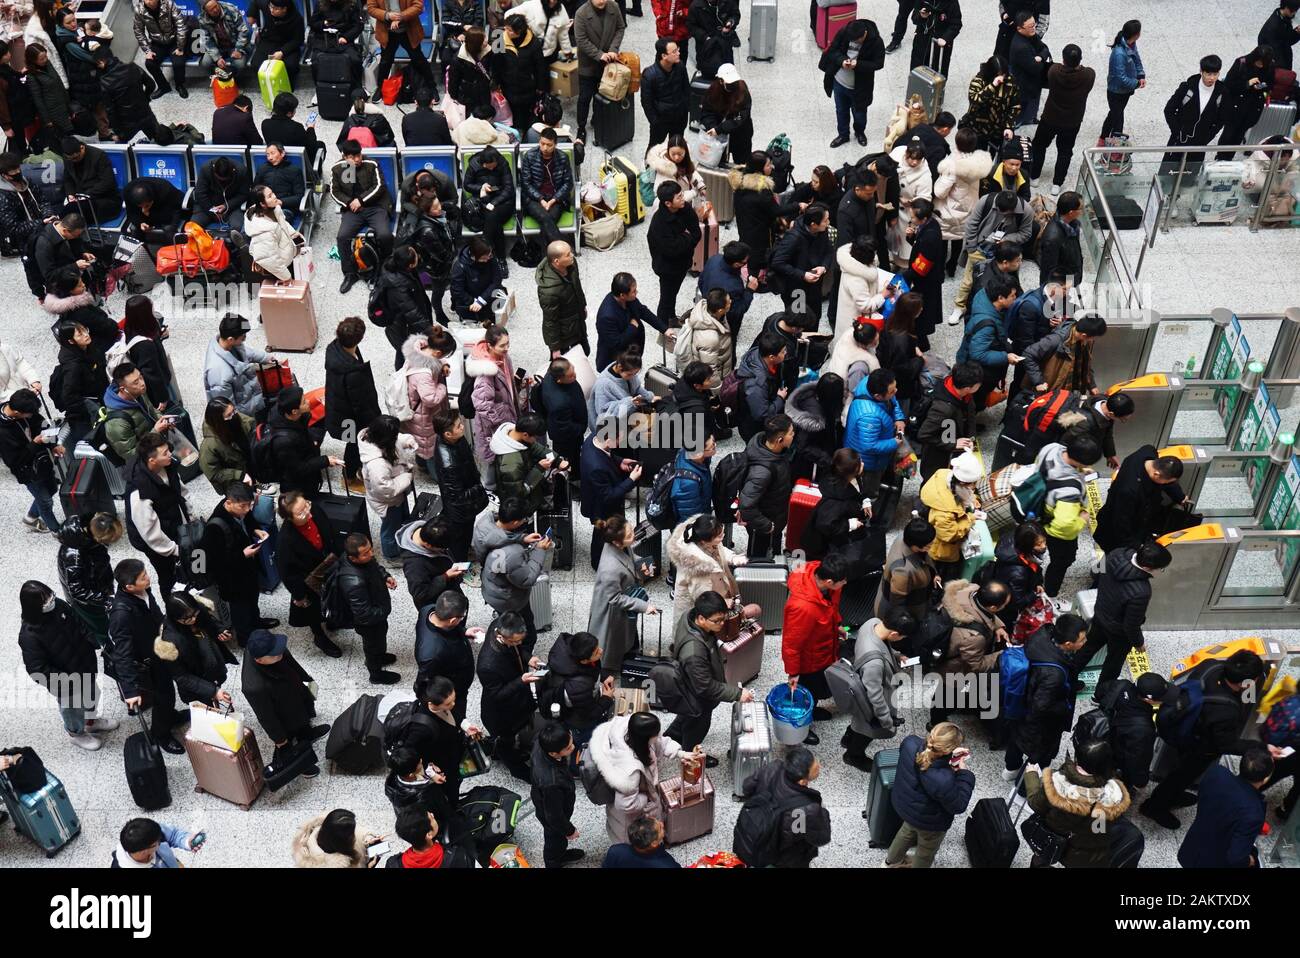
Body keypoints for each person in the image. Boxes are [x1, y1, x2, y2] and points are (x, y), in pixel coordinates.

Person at [1143, 650, 1267, 830]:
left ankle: (1172, 795)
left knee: (1180, 773)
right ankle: (1155, 807)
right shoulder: (1225, 712)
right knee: (1182, 775)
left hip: (1183, 726)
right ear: (1245, 683)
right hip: (1198, 746)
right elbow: (1226, 744)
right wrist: (1259, 747)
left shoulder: (1210, 665)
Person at [19, 579, 114, 751]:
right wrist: (67, 681)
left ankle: (91, 722)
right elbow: (37, 669)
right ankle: (76, 734)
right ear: (33, 606)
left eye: (49, 595)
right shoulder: (29, 636)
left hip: (85, 665)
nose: (50, 601)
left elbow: (79, 622)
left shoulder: (59, 606)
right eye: (45, 600)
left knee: (93, 694)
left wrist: (91, 640)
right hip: (65, 684)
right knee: (73, 709)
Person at [1023, 738, 1139, 868]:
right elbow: (1098, 830)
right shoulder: (1111, 795)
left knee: (1041, 858)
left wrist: (1031, 775)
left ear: (1077, 758)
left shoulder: (1056, 783)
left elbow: (1035, 804)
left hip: (1049, 839)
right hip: (1081, 853)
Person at [108, 558, 183, 754]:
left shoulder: (143, 591)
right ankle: (161, 733)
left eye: (146, 573)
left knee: (168, 693)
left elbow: (154, 615)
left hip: (158, 648)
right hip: (148, 662)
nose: (148, 578)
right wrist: (130, 690)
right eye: (143, 578)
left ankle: (170, 716)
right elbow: (122, 653)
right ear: (129, 586)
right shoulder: (121, 614)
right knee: (163, 696)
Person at [1080, 541, 1172, 688]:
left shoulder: (1116, 553)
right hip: (1118, 632)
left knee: (1087, 647)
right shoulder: (1141, 591)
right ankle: (1101, 694)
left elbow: (1095, 573)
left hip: (1100, 613)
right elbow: (1131, 625)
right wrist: (1139, 643)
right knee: (1113, 663)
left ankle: (1069, 677)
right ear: (1148, 567)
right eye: (1160, 569)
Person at [587, 711, 687, 844]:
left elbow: (661, 742)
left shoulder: (628, 730)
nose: (658, 737)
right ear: (645, 738)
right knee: (635, 844)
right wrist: (648, 798)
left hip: (633, 806)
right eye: (655, 734)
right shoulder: (630, 772)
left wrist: (681, 753)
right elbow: (626, 804)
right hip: (631, 818)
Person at [884, 722, 974, 867]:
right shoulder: (943, 780)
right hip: (929, 821)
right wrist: (964, 774)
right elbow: (959, 805)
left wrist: (946, 762)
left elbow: (924, 765)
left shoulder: (910, 742)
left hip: (906, 807)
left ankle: (890, 862)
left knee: (905, 834)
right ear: (947, 750)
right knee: (925, 852)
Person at [780, 556, 849, 746]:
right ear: (828, 582)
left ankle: (812, 708)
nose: (845, 583)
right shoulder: (802, 607)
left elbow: (830, 609)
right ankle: (800, 726)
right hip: (810, 661)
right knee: (805, 691)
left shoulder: (819, 571)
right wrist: (793, 672)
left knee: (816, 690)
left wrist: (838, 625)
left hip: (824, 649)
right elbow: (791, 644)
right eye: (842, 580)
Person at [1010, 612, 1088, 773]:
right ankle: (1022, 792)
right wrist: (1063, 709)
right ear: (1067, 644)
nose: (1085, 642)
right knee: (1040, 758)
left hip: (1021, 702)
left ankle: (1011, 768)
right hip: (1041, 724)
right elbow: (1040, 707)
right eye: (1082, 640)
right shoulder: (1055, 675)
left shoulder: (1041, 636)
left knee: (1016, 741)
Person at [471, 497, 552, 647]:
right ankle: (521, 653)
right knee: (528, 634)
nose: (524, 522)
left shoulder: (485, 523)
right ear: (515, 522)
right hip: (508, 600)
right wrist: (540, 550)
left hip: (492, 588)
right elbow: (527, 579)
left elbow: (501, 537)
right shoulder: (511, 554)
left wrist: (522, 538)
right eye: (523, 519)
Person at [735, 746, 833, 868]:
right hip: (785, 859)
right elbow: (821, 838)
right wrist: (822, 812)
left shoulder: (773, 767)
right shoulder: (804, 809)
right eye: (815, 767)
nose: (819, 765)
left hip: (755, 837)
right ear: (802, 781)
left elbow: (747, 787)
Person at [199, 482, 270, 647]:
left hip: (247, 571)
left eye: (249, 505)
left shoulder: (240, 508)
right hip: (233, 580)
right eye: (243, 506)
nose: (247, 509)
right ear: (228, 502)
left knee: (253, 599)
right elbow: (214, 562)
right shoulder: (215, 527)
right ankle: (246, 640)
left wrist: (255, 530)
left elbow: (248, 520)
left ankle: (257, 623)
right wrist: (242, 555)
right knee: (241, 610)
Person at [1178, 748, 1273, 868]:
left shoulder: (1216, 773)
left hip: (1192, 848)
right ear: (1265, 779)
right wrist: (1251, 860)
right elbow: (1236, 858)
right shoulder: (1253, 813)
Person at [276, 491, 343, 657]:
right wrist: (299, 596)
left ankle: (332, 618)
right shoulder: (285, 540)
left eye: (306, 505)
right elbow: (287, 573)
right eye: (301, 512)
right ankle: (319, 636)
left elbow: (330, 533)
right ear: (289, 518)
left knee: (334, 596)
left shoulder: (315, 511)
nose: (308, 512)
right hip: (308, 580)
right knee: (312, 610)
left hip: (329, 565)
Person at [589, 514, 657, 674]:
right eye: (629, 535)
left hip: (622, 603)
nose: (634, 536)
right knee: (613, 640)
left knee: (626, 635)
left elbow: (631, 558)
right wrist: (644, 606)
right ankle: (611, 667)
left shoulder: (618, 545)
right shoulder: (610, 568)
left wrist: (644, 565)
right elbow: (615, 598)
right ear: (616, 542)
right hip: (612, 612)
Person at [1093, 447, 1190, 552]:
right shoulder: (1129, 491)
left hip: (1136, 516)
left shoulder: (1147, 452)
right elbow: (1121, 524)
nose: (1167, 484)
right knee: (1115, 559)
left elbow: (1169, 482)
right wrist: (1138, 547)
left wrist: (1179, 496)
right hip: (1115, 530)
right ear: (1156, 474)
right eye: (1167, 481)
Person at [333, 533, 400, 684]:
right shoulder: (353, 581)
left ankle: (380, 657)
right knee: (373, 646)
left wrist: (385, 576)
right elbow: (364, 614)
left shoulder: (363, 559)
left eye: (370, 549)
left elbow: (374, 566)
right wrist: (385, 610)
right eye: (366, 553)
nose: (371, 554)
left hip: (377, 611)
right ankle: (375, 674)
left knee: (380, 639)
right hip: (369, 623)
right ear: (353, 558)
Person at [331, 140, 394, 295]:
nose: (357, 160)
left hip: (375, 207)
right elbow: (335, 192)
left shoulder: (371, 164)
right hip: (353, 210)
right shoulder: (340, 168)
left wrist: (360, 200)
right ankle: (349, 273)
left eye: (358, 155)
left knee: (385, 235)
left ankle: (385, 268)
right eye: (352, 157)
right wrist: (349, 202)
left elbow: (379, 187)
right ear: (345, 157)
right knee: (342, 237)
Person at [425, 412, 488, 564]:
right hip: (460, 507)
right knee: (459, 540)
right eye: (459, 426)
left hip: (468, 498)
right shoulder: (449, 463)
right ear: (447, 434)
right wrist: (480, 487)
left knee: (466, 534)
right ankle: (460, 567)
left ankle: (464, 553)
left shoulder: (456, 439)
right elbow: (457, 496)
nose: (462, 428)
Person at [158, 590, 237, 710]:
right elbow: (181, 676)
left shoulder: (195, 609)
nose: (193, 619)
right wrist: (212, 691)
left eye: (195, 614)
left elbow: (209, 620)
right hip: (196, 686)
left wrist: (220, 630)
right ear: (175, 618)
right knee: (208, 713)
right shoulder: (169, 642)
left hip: (212, 668)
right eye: (187, 619)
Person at [1032, 45, 1095, 195]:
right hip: (1072, 121)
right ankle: (1057, 183)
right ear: (1080, 59)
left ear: (1063, 59)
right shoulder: (1088, 75)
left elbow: (1051, 70)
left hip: (1050, 117)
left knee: (1039, 145)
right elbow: (1087, 70)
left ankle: (1034, 176)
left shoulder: (1054, 72)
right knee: (1065, 151)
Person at [0, 388, 62, 535]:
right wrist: (35, 443)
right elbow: (15, 461)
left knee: (52, 488)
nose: (32, 415)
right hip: (27, 471)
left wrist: (54, 444)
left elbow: (44, 423)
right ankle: (57, 531)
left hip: (41, 462)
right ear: (17, 413)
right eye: (29, 413)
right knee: (46, 501)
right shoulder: (3, 432)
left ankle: (30, 517)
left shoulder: (24, 409)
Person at [578, 418, 638, 569]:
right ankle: (598, 564)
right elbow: (609, 496)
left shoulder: (594, 437)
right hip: (601, 508)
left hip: (597, 499)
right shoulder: (596, 466)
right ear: (609, 439)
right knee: (602, 535)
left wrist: (620, 461)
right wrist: (631, 479)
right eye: (618, 440)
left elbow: (607, 454)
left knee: (600, 533)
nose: (620, 444)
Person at [819, 18, 885, 150]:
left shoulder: (876, 41)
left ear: (864, 34)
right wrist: (842, 61)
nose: (854, 42)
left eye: (857, 40)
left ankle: (859, 132)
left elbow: (878, 63)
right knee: (841, 111)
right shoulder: (844, 32)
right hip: (839, 82)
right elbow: (832, 51)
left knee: (859, 114)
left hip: (860, 87)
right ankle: (843, 135)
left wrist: (858, 64)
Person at [267, 386, 343, 500]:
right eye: (303, 402)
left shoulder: (288, 415)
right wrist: (325, 461)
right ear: (294, 411)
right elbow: (298, 469)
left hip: (306, 460)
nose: (308, 401)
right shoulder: (284, 441)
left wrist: (314, 438)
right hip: (299, 486)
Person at [1098, 672, 1169, 792]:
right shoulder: (1143, 729)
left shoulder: (1122, 684)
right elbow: (1138, 759)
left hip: (1104, 732)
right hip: (1116, 754)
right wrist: (1140, 781)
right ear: (1148, 700)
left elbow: (1101, 690)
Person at [358, 416, 417, 561]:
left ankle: (402, 540)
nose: (398, 436)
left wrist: (407, 440)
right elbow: (386, 489)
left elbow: (398, 440)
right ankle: (391, 556)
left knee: (401, 520)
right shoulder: (377, 465)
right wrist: (406, 478)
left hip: (398, 496)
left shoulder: (380, 439)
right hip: (388, 502)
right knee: (390, 528)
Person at [56, 511, 120, 644]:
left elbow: (100, 562)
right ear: (98, 538)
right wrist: (105, 600)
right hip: (86, 601)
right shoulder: (74, 557)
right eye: (110, 540)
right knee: (101, 626)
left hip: (97, 584)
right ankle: (107, 646)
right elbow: (77, 591)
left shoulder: (89, 534)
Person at [647, 181, 703, 328]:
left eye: (682, 194)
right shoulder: (659, 223)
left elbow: (696, 233)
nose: (683, 198)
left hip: (683, 262)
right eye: (678, 197)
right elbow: (671, 249)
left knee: (673, 294)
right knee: (666, 297)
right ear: (668, 203)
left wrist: (683, 239)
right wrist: (686, 237)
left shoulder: (685, 208)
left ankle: (671, 318)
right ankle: (663, 326)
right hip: (666, 267)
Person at [919, 451, 982, 581]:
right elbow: (950, 535)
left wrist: (971, 499)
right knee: (945, 577)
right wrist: (970, 518)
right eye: (973, 484)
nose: (974, 487)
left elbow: (961, 494)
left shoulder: (944, 475)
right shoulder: (945, 511)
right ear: (964, 483)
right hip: (942, 552)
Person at [738, 413, 794, 558]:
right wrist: (766, 526)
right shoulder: (762, 472)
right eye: (791, 433)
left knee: (773, 549)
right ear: (780, 440)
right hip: (764, 526)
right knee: (759, 558)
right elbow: (746, 505)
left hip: (775, 516)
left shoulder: (765, 444)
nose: (794, 435)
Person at [467, 325, 522, 471]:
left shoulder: (504, 358)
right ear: (490, 346)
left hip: (506, 417)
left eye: (508, 344)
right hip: (494, 427)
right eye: (502, 345)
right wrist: (499, 426)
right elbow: (483, 404)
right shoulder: (486, 372)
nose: (506, 348)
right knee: (492, 465)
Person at [371, 245, 433, 371]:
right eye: (416, 257)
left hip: (404, 321)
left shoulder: (396, 265)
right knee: (403, 350)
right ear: (410, 265)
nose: (418, 257)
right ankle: (400, 376)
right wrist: (430, 330)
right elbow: (412, 312)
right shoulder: (398, 287)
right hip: (401, 326)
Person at [529, 721, 583, 866]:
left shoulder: (541, 741)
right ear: (553, 753)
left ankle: (558, 854)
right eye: (568, 748)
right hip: (551, 815)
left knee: (556, 837)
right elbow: (554, 816)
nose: (573, 748)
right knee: (555, 839)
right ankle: (554, 861)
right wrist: (569, 830)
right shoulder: (552, 783)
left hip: (541, 796)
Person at [414, 590, 474, 720]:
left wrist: (464, 631)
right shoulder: (432, 654)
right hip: (451, 691)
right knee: (456, 719)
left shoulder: (428, 610)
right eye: (461, 617)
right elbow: (422, 685)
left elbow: (450, 629)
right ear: (453, 620)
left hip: (455, 678)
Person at [844, 368, 904, 497]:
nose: (896, 392)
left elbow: (893, 401)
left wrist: (899, 417)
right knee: (869, 491)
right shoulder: (869, 416)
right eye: (892, 391)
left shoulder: (869, 382)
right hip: (868, 463)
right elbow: (869, 446)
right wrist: (895, 441)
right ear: (878, 396)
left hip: (876, 452)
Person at [916, 362, 981, 481]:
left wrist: (971, 437)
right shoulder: (942, 409)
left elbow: (971, 414)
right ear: (968, 388)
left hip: (954, 440)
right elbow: (924, 435)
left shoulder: (961, 391)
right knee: (934, 482)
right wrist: (953, 444)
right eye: (978, 385)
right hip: (938, 454)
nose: (980, 386)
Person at [491, 414, 564, 516]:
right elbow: (519, 493)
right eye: (535, 437)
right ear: (525, 434)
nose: (536, 440)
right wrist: (539, 469)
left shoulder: (515, 435)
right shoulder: (510, 465)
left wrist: (557, 461)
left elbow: (536, 448)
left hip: (530, 487)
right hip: (520, 506)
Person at [1163, 55, 1227, 172]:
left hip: (1200, 143)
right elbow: (1169, 110)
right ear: (1201, 72)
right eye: (1208, 74)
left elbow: (1221, 119)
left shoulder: (1222, 92)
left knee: (1190, 176)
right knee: (1167, 172)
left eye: (1215, 74)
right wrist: (1177, 131)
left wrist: (1208, 137)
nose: (1212, 78)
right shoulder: (1187, 87)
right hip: (1179, 139)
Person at [203, 313, 272, 419]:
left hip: (250, 401)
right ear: (231, 339)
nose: (244, 340)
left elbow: (245, 351)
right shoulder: (219, 373)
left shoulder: (225, 341)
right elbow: (228, 409)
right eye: (243, 337)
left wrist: (266, 358)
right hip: (245, 414)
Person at [593, 273, 662, 376]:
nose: (636, 293)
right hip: (616, 362)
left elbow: (642, 311)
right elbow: (616, 343)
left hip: (630, 353)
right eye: (633, 291)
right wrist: (632, 327)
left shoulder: (628, 299)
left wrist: (664, 329)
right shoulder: (607, 316)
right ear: (622, 295)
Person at [1217, 46, 1275, 160]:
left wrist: (1262, 86)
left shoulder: (1270, 66)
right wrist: (1247, 83)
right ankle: (1220, 157)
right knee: (1228, 135)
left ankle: (1228, 159)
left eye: (1264, 64)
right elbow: (1228, 84)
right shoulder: (1241, 63)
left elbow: (1270, 84)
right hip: (1235, 106)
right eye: (1259, 62)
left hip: (1252, 108)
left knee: (1238, 136)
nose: (1261, 65)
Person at [877, 516, 939, 624]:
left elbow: (925, 557)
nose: (931, 547)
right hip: (909, 609)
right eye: (929, 545)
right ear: (916, 546)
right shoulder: (903, 571)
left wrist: (934, 574)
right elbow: (897, 605)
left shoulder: (905, 537)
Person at [519, 128, 575, 246]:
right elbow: (525, 183)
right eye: (542, 143)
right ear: (539, 142)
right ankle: (562, 250)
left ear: (555, 144)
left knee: (548, 220)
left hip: (556, 198)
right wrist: (541, 199)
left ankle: (549, 257)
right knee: (546, 218)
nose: (545, 148)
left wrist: (554, 200)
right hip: (534, 198)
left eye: (549, 145)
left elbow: (568, 183)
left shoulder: (562, 157)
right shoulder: (529, 156)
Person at [366, 0, 434, 97]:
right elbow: (371, 8)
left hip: (408, 30)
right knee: (385, 62)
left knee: (418, 59)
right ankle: (381, 88)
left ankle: (431, 86)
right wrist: (387, 15)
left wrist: (401, 16)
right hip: (387, 32)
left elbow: (418, 6)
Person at [118, 296, 175, 410]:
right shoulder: (144, 345)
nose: (153, 309)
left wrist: (161, 334)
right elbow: (152, 374)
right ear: (144, 313)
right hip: (160, 385)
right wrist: (162, 398)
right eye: (150, 307)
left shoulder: (132, 325)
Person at [962, 55, 1020, 162]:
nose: (1001, 77)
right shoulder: (979, 80)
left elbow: (1015, 105)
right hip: (978, 127)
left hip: (998, 128)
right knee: (975, 156)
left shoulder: (1011, 81)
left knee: (992, 156)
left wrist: (1009, 126)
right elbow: (974, 100)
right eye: (998, 75)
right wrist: (992, 86)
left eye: (1003, 74)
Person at [537, 240, 589, 358]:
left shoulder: (571, 264)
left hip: (577, 322)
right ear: (557, 261)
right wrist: (555, 348)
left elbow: (577, 286)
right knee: (564, 365)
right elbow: (550, 321)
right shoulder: (548, 291)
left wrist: (583, 305)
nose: (572, 255)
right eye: (568, 254)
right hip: (563, 334)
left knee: (584, 353)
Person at [733, 333, 788, 442]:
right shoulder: (756, 384)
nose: (786, 353)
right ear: (772, 357)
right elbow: (761, 414)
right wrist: (780, 399)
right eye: (783, 351)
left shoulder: (759, 353)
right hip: (755, 429)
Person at [244, 185, 302, 280]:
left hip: (285, 251)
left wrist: (292, 233)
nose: (274, 196)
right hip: (279, 267)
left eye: (273, 193)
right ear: (262, 204)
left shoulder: (274, 209)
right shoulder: (263, 232)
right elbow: (270, 260)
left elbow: (283, 223)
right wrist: (286, 277)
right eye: (270, 196)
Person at [132, 0, 188, 99]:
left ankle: (179, 85)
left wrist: (180, 47)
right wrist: (147, 50)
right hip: (157, 42)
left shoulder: (169, 4)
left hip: (174, 40)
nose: (149, 1)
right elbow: (138, 32)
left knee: (178, 62)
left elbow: (180, 25)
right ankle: (163, 87)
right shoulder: (139, 10)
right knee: (150, 63)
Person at [699, 62, 752, 165]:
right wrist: (713, 128)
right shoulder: (713, 92)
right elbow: (706, 113)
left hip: (741, 135)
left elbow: (741, 117)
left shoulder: (742, 91)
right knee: (717, 163)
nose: (732, 85)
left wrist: (719, 129)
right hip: (718, 138)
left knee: (742, 164)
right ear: (721, 81)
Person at [60, 139, 122, 224]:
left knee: (71, 212)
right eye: (71, 159)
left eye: (76, 157)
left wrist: (85, 195)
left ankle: (57, 221)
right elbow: (68, 179)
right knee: (70, 211)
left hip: (104, 199)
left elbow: (108, 182)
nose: (74, 160)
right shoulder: (68, 159)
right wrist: (70, 194)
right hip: (81, 200)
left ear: (82, 148)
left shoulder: (98, 156)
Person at [292, 808, 380, 868]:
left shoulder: (329, 829)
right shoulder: (327, 865)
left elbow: (356, 830)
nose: (354, 835)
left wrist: (368, 838)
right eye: (351, 835)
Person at [640, 37, 688, 145]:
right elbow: (646, 102)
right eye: (674, 52)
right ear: (664, 56)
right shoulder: (650, 75)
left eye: (678, 50)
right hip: (661, 120)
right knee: (654, 149)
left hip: (679, 117)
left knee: (676, 146)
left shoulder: (680, 66)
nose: (678, 53)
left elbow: (686, 89)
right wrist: (655, 121)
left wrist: (685, 110)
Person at [1006, 11, 1050, 126]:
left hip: (1031, 81)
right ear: (1020, 28)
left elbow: (1045, 48)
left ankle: (1029, 117)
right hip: (1024, 83)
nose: (1034, 28)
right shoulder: (1021, 47)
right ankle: (1017, 122)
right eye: (1030, 26)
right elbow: (1036, 68)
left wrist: (1040, 57)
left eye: (1034, 24)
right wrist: (1041, 59)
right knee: (1023, 103)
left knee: (1031, 101)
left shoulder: (1030, 34)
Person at [307, 0, 365, 86]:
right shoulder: (320, 4)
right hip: (324, 39)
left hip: (343, 39)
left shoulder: (352, 5)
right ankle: (320, 88)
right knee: (315, 61)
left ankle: (356, 89)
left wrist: (346, 37)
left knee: (355, 60)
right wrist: (323, 23)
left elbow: (358, 26)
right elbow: (312, 23)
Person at [248, 0, 305, 87]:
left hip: (288, 44)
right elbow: (255, 1)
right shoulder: (269, 5)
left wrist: (282, 52)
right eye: (270, 7)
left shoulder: (297, 18)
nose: (271, 10)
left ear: (284, 9)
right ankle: (267, 85)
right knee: (256, 64)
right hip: (269, 40)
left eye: (275, 9)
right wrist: (251, 15)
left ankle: (287, 85)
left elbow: (298, 40)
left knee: (290, 66)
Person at [111, 818, 205, 868]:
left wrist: (186, 842)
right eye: (158, 843)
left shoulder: (151, 832)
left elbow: (173, 834)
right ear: (144, 851)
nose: (161, 841)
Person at [196, 0, 252, 74]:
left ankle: (234, 80)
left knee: (239, 65)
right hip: (218, 47)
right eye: (211, 10)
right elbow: (206, 39)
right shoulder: (202, 18)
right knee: (206, 63)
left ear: (217, 2)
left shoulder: (230, 9)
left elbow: (243, 30)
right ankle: (218, 78)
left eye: (215, 6)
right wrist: (217, 58)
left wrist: (238, 49)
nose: (215, 10)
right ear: (206, 11)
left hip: (235, 45)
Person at [687, 0, 739, 81]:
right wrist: (705, 37)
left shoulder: (729, 2)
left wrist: (731, 22)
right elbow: (691, 26)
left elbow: (735, 15)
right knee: (706, 74)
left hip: (724, 42)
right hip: (705, 46)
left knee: (727, 71)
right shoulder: (696, 6)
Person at [603, 815, 680, 868]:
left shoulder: (616, 852)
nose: (662, 824)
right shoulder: (667, 865)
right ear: (653, 843)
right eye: (660, 828)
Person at [909, 0, 960, 77]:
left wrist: (945, 38)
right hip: (922, 41)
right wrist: (921, 16)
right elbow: (914, 18)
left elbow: (956, 24)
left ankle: (937, 88)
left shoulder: (951, 2)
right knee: (917, 69)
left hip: (940, 44)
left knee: (938, 72)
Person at [1259, 2, 1300, 71]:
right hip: (1276, 62)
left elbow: (1287, 38)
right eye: (1293, 11)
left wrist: (1297, 32)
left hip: (1281, 56)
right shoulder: (1273, 27)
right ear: (1286, 8)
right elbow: (1277, 53)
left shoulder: (1283, 18)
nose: (1294, 13)